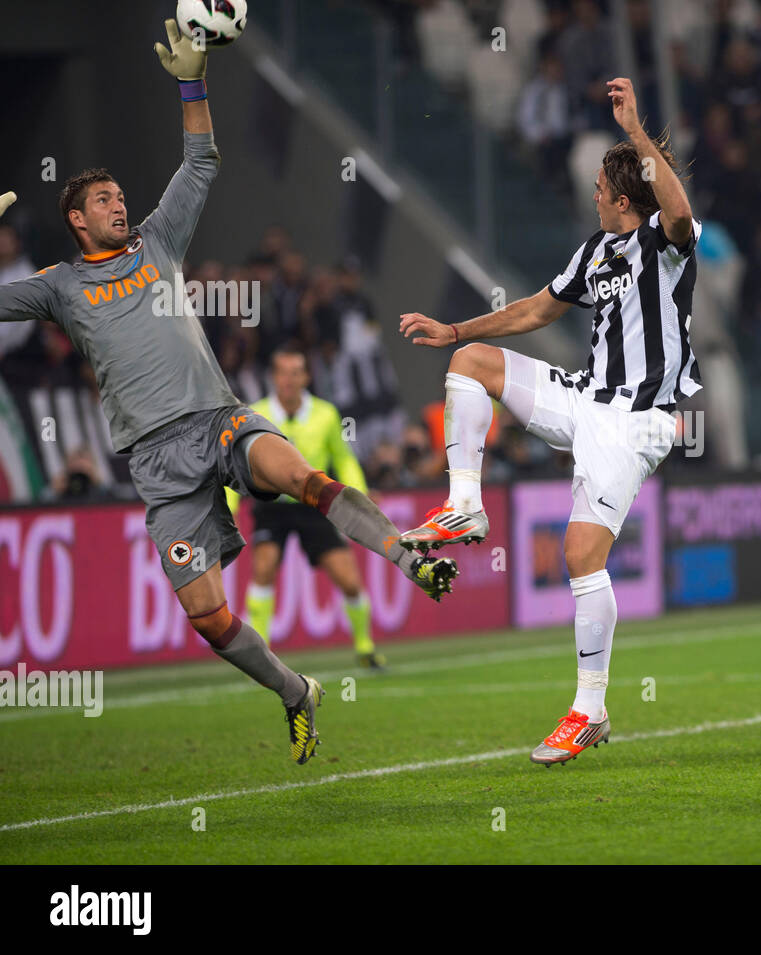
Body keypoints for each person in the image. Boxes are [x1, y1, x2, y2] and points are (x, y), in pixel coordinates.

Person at [0, 21, 456, 765]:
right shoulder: (58, 287)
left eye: (121, 196)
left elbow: (202, 159)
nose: (120, 205)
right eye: (105, 201)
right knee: (208, 619)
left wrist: (192, 83)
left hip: (217, 420)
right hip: (154, 462)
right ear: (76, 219)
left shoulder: (158, 242)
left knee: (302, 476)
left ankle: (409, 556)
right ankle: (294, 691)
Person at [397, 77, 700, 766]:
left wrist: (633, 132)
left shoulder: (665, 240)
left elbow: (678, 206)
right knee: (474, 361)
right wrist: (455, 328)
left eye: (602, 184)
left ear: (625, 198)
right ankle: (465, 505)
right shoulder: (594, 252)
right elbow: (536, 309)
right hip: (585, 397)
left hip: (637, 418)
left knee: (579, 555)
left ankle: (589, 709)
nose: (593, 191)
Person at [225, 345, 386, 670]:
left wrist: (361, 493)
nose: (288, 379)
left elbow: (342, 458)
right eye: (282, 373)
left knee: (349, 579)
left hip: (313, 503)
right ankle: (262, 655)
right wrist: (230, 506)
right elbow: (235, 464)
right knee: (264, 568)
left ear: (306, 377)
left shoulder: (325, 414)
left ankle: (365, 647)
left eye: (295, 372)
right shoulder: (254, 414)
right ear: (273, 377)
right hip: (271, 504)